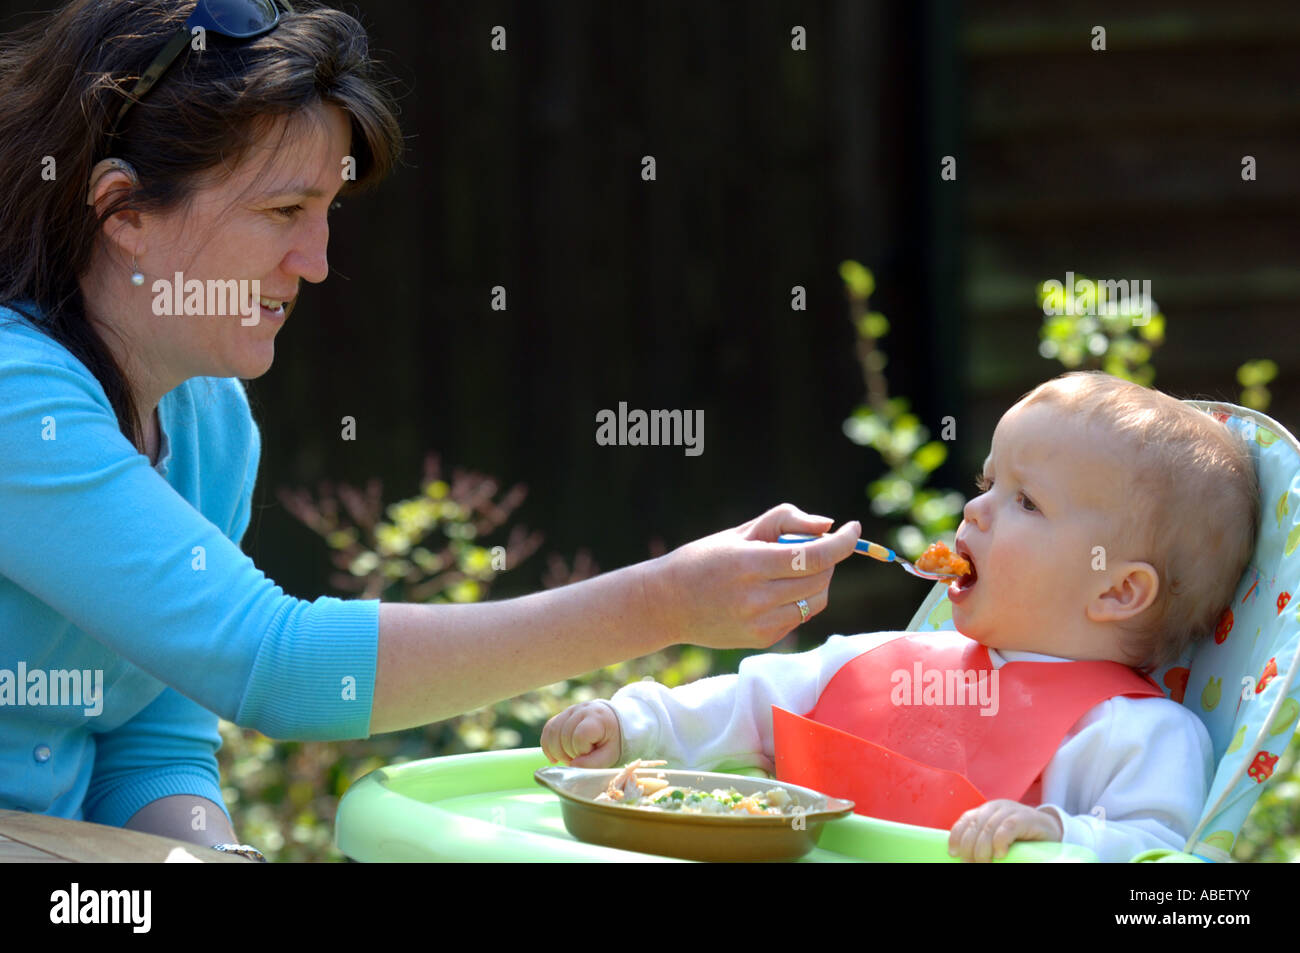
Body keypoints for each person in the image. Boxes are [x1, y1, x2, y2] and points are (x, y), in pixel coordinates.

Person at [0, 0, 862, 857]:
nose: (318, 262)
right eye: (281, 212)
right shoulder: (16, 399)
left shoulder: (210, 419)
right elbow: (274, 664)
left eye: (327, 210)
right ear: (124, 212)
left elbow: (153, 743)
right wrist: (665, 600)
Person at [542, 371, 1261, 862]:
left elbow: (1158, 858)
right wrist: (632, 725)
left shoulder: (1137, 732)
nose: (974, 510)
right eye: (986, 483)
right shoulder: (873, 663)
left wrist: (1055, 833)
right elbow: (746, 703)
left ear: (1117, 590)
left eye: (1025, 501)